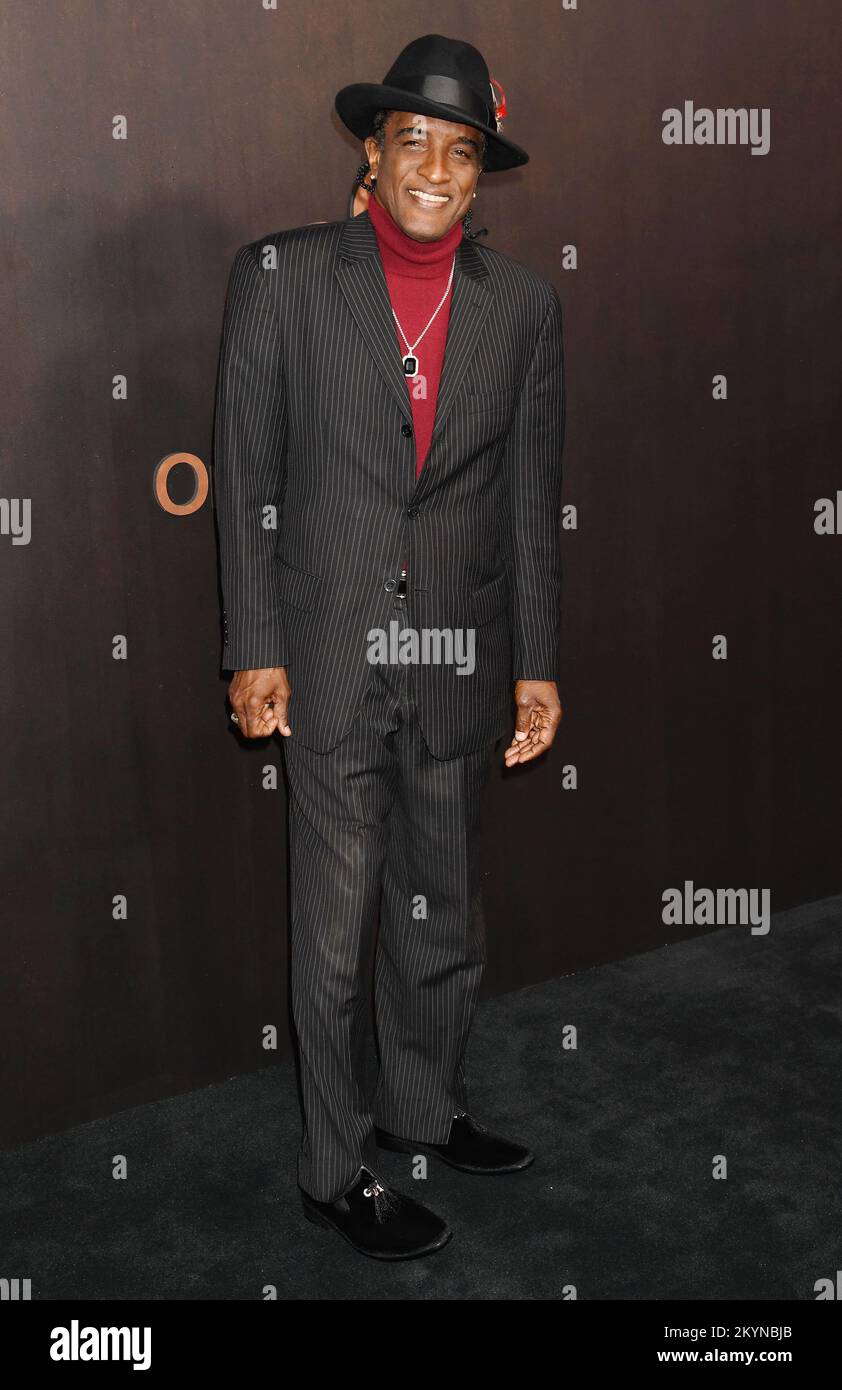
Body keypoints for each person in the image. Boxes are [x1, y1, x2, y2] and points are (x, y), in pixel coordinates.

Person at [213, 33, 565, 1261]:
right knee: (335, 922)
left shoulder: (522, 308)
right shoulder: (282, 276)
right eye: (411, 139)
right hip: (325, 652)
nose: (434, 168)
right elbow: (246, 475)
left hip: (459, 656)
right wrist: (254, 649)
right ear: (372, 148)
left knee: (444, 908)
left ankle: (424, 1108)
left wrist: (535, 660)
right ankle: (331, 1165)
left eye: (459, 151)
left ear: (480, 174)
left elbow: (529, 498)